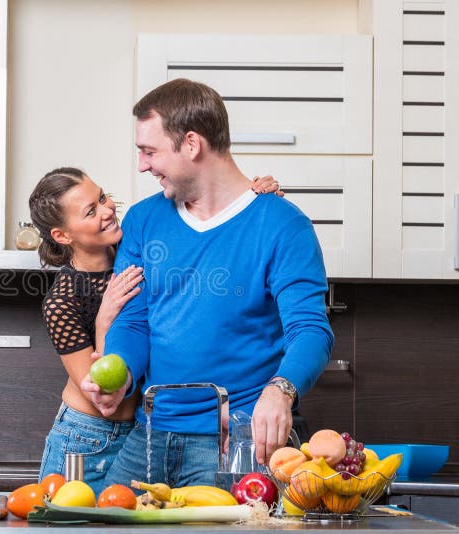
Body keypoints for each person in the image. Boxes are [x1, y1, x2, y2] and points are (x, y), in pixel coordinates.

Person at [81, 78, 334, 489]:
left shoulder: (283, 225)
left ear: (192, 144)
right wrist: (122, 373)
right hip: (149, 437)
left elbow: (311, 331)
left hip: (238, 442)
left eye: (149, 151)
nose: (142, 165)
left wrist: (281, 390)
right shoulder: (144, 221)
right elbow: (134, 321)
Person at [29, 166, 281, 495]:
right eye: (91, 211)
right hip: (86, 438)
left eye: (102, 197)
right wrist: (105, 320)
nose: (107, 210)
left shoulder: (135, 246)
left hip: (141, 432)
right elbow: (103, 393)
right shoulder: (61, 302)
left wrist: (250, 195)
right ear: (62, 235)